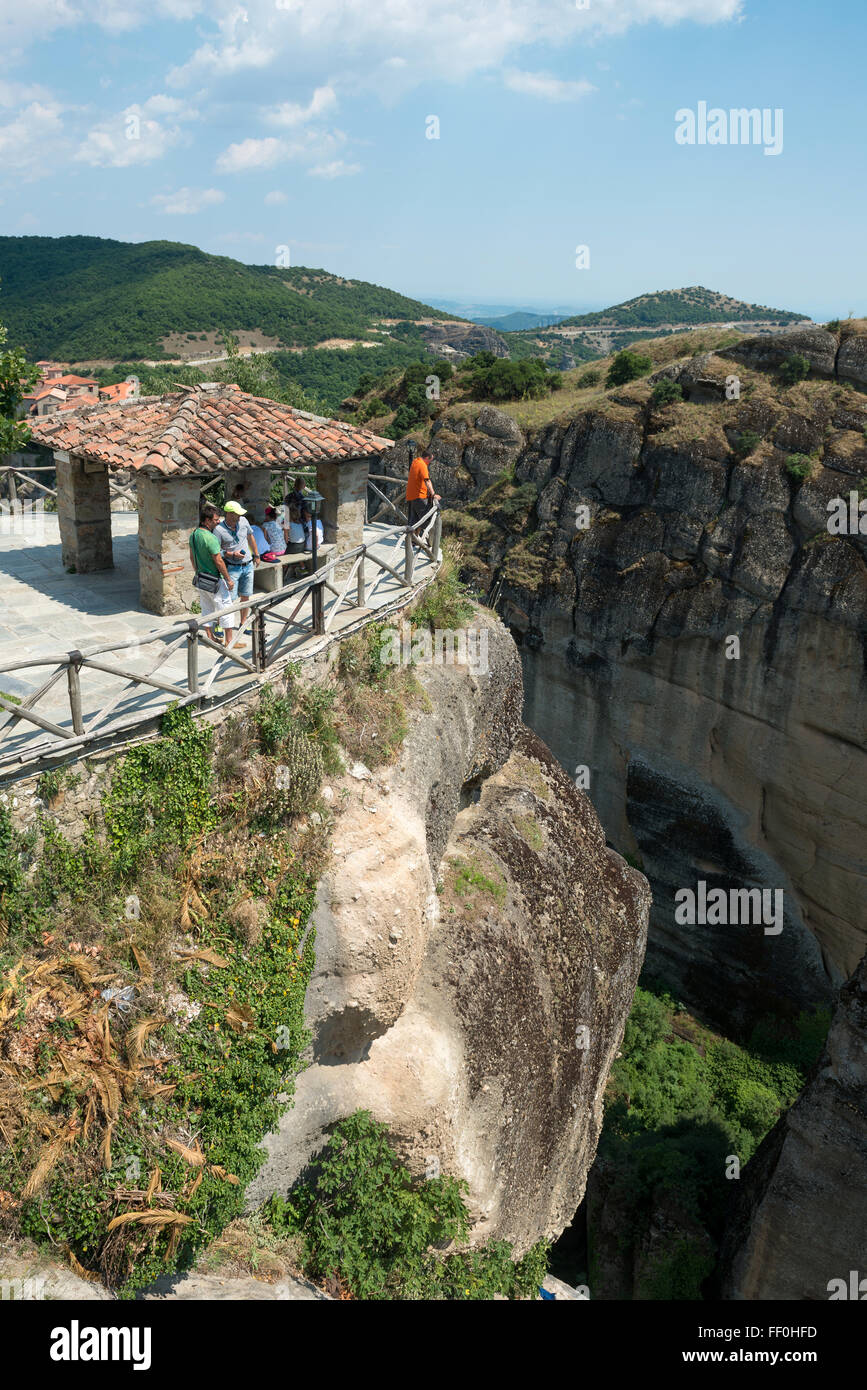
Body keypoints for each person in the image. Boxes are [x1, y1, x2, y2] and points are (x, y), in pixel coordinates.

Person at [214, 500, 260, 643]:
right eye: (237, 514)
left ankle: (243, 623)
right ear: (229, 514)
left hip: (247, 565)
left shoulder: (244, 521)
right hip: (232, 568)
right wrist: (231, 554)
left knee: (246, 596)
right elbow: (216, 552)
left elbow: (250, 537)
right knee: (228, 599)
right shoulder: (219, 530)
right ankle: (219, 625)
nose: (240, 516)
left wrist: (256, 554)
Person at [189, 504, 235, 645]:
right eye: (215, 519)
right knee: (226, 608)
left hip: (201, 578)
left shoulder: (194, 535)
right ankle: (229, 640)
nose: (218, 521)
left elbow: (192, 557)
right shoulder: (211, 538)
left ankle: (210, 638)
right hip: (214, 580)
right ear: (206, 521)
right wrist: (228, 579)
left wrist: (198, 571)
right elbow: (219, 561)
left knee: (206, 608)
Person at [406, 448, 440, 545]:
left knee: (415, 519)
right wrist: (433, 494)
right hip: (419, 496)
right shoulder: (422, 465)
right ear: (427, 458)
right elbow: (427, 481)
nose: (430, 462)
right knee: (426, 518)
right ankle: (430, 543)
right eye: (430, 460)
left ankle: (413, 539)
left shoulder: (415, 461)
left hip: (412, 495)